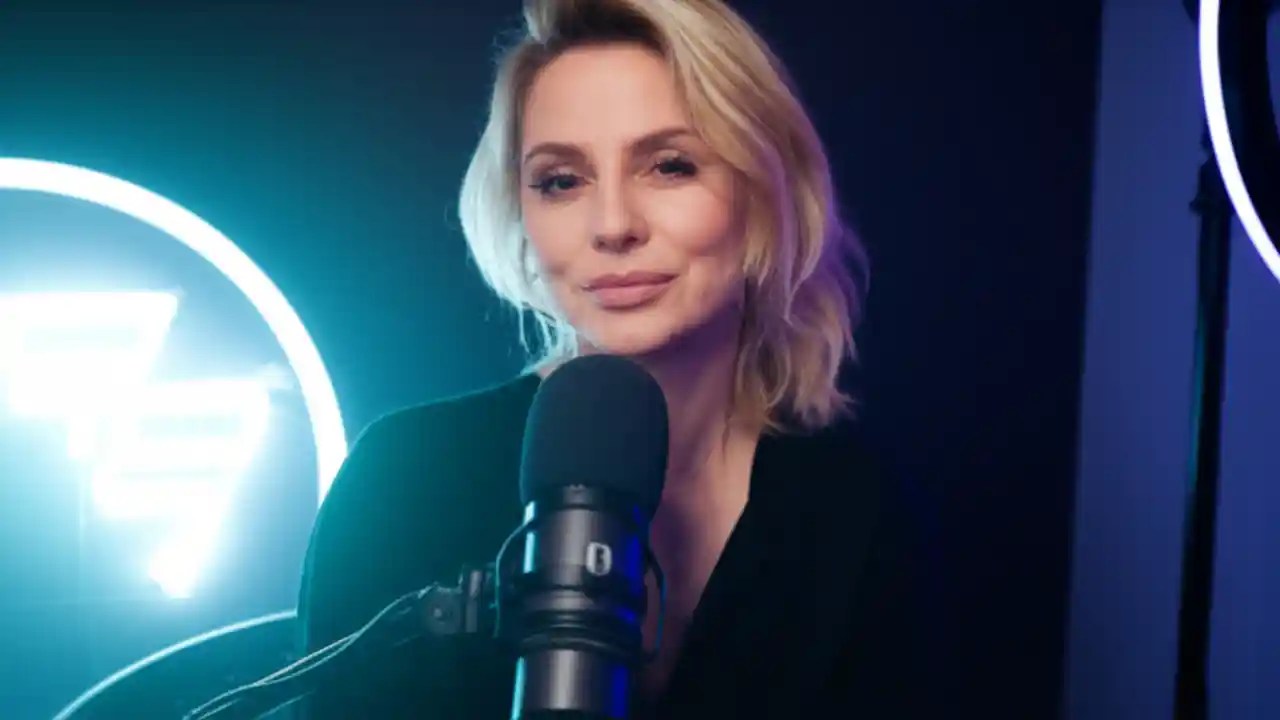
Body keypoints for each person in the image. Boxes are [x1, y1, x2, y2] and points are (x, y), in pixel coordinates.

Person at [295, 0, 924, 717]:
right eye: (562, 180)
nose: (613, 225)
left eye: (670, 166)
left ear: (761, 191)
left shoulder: (848, 507)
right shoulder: (406, 478)